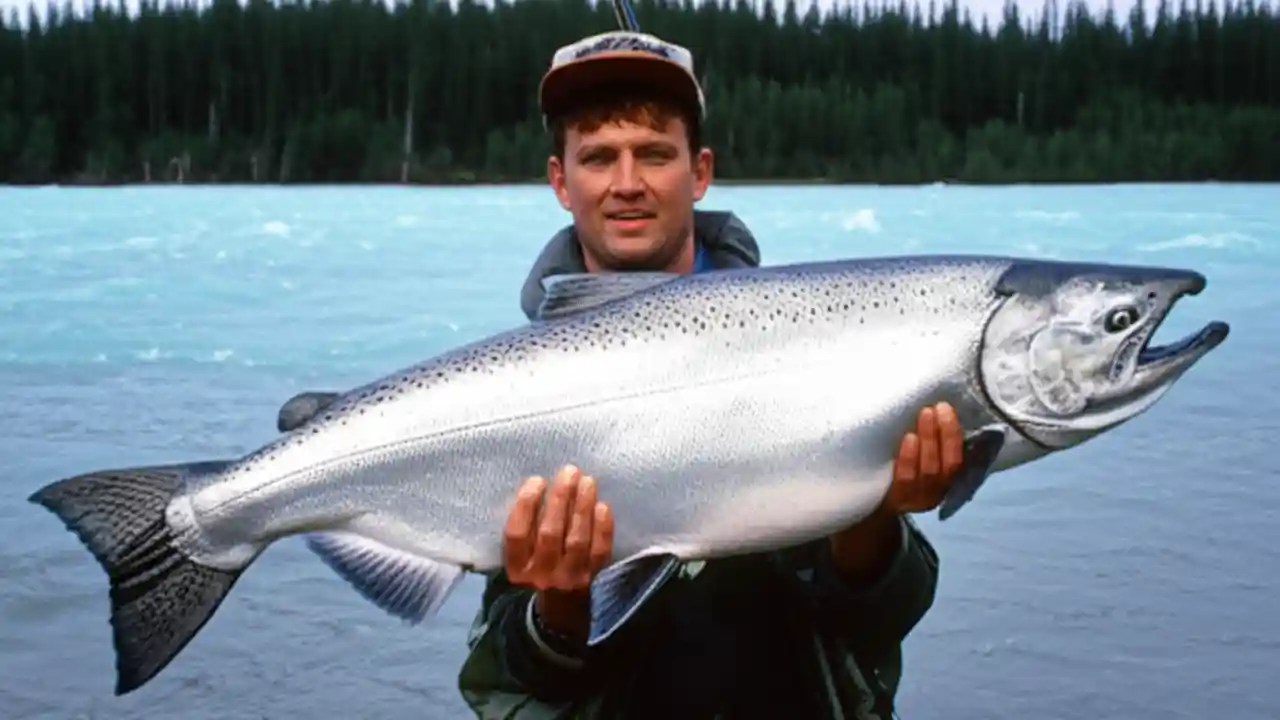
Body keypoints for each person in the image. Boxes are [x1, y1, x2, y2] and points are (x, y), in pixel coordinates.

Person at [456, 30, 967, 719]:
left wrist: (871, 518)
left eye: (654, 154)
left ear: (699, 172)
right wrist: (561, 604)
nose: (627, 183)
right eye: (599, 157)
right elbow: (504, 680)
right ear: (560, 181)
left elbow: (882, 618)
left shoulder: (808, 351)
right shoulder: (510, 398)